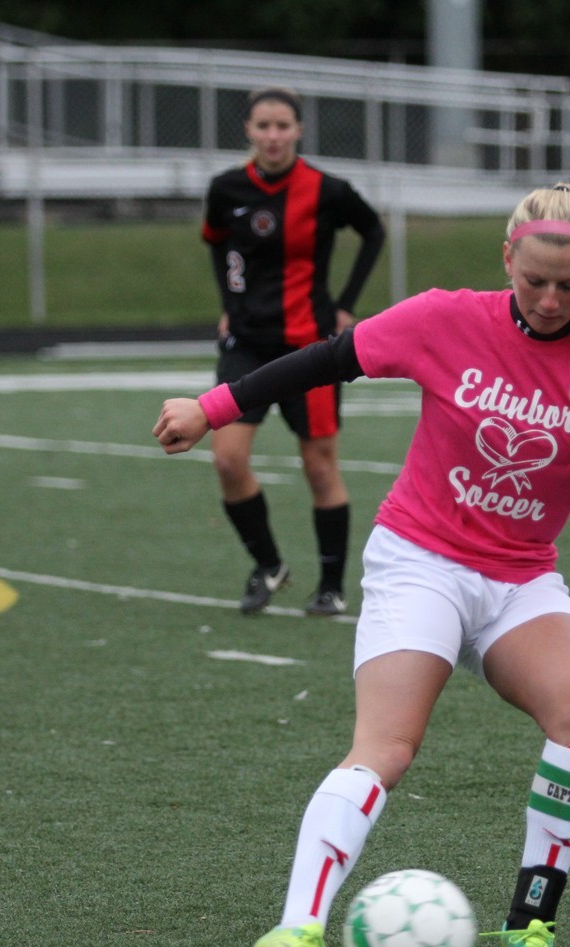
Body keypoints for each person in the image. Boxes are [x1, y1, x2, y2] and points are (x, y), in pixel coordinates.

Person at [153, 182, 570, 947]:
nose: (549, 300)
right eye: (534, 280)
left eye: (569, 285)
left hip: (520, 577)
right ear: (507, 259)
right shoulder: (444, 318)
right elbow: (328, 359)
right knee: (387, 747)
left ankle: (530, 928)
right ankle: (298, 927)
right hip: (420, 562)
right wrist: (213, 406)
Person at [201, 87, 385, 616]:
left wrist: (345, 306)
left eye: (283, 125)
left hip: (311, 350)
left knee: (320, 468)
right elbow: (217, 243)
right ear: (248, 130)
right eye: (263, 125)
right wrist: (228, 304)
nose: (273, 135)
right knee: (227, 459)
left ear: (299, 130)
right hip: (245, 345)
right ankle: (268, 565)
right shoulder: (225, 188)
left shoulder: (327, 189)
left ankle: (331, 586)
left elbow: (373, 231)